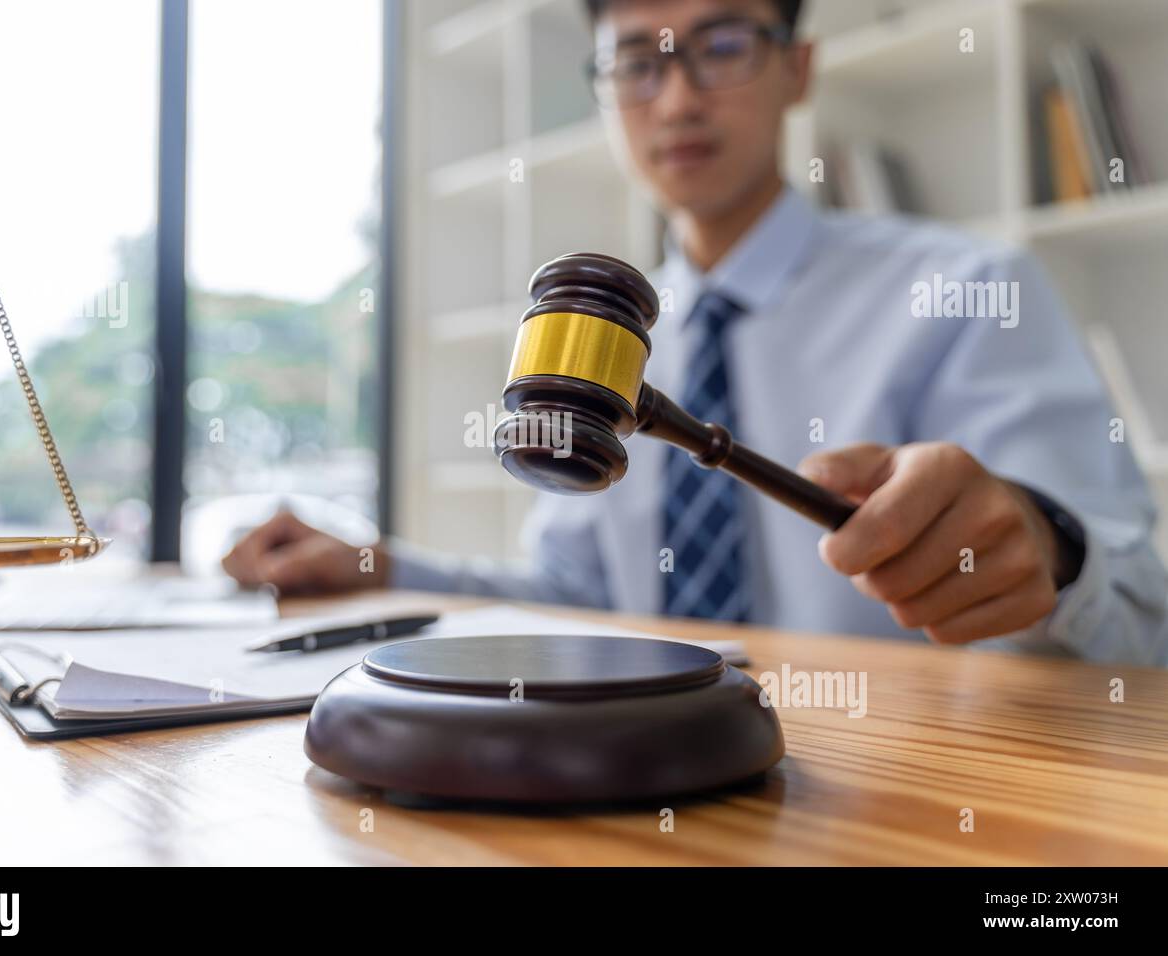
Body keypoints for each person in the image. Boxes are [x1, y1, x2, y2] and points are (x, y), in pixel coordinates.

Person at [224, 0, 1168, 666]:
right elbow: (587, 597)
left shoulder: (969, 290)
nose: (675, 100)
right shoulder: (605, 340)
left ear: (797, 66)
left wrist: (1047, 548)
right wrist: (371, 563)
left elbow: (1141, 617)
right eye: (637, 61)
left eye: (720, 45)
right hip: (645, 792)